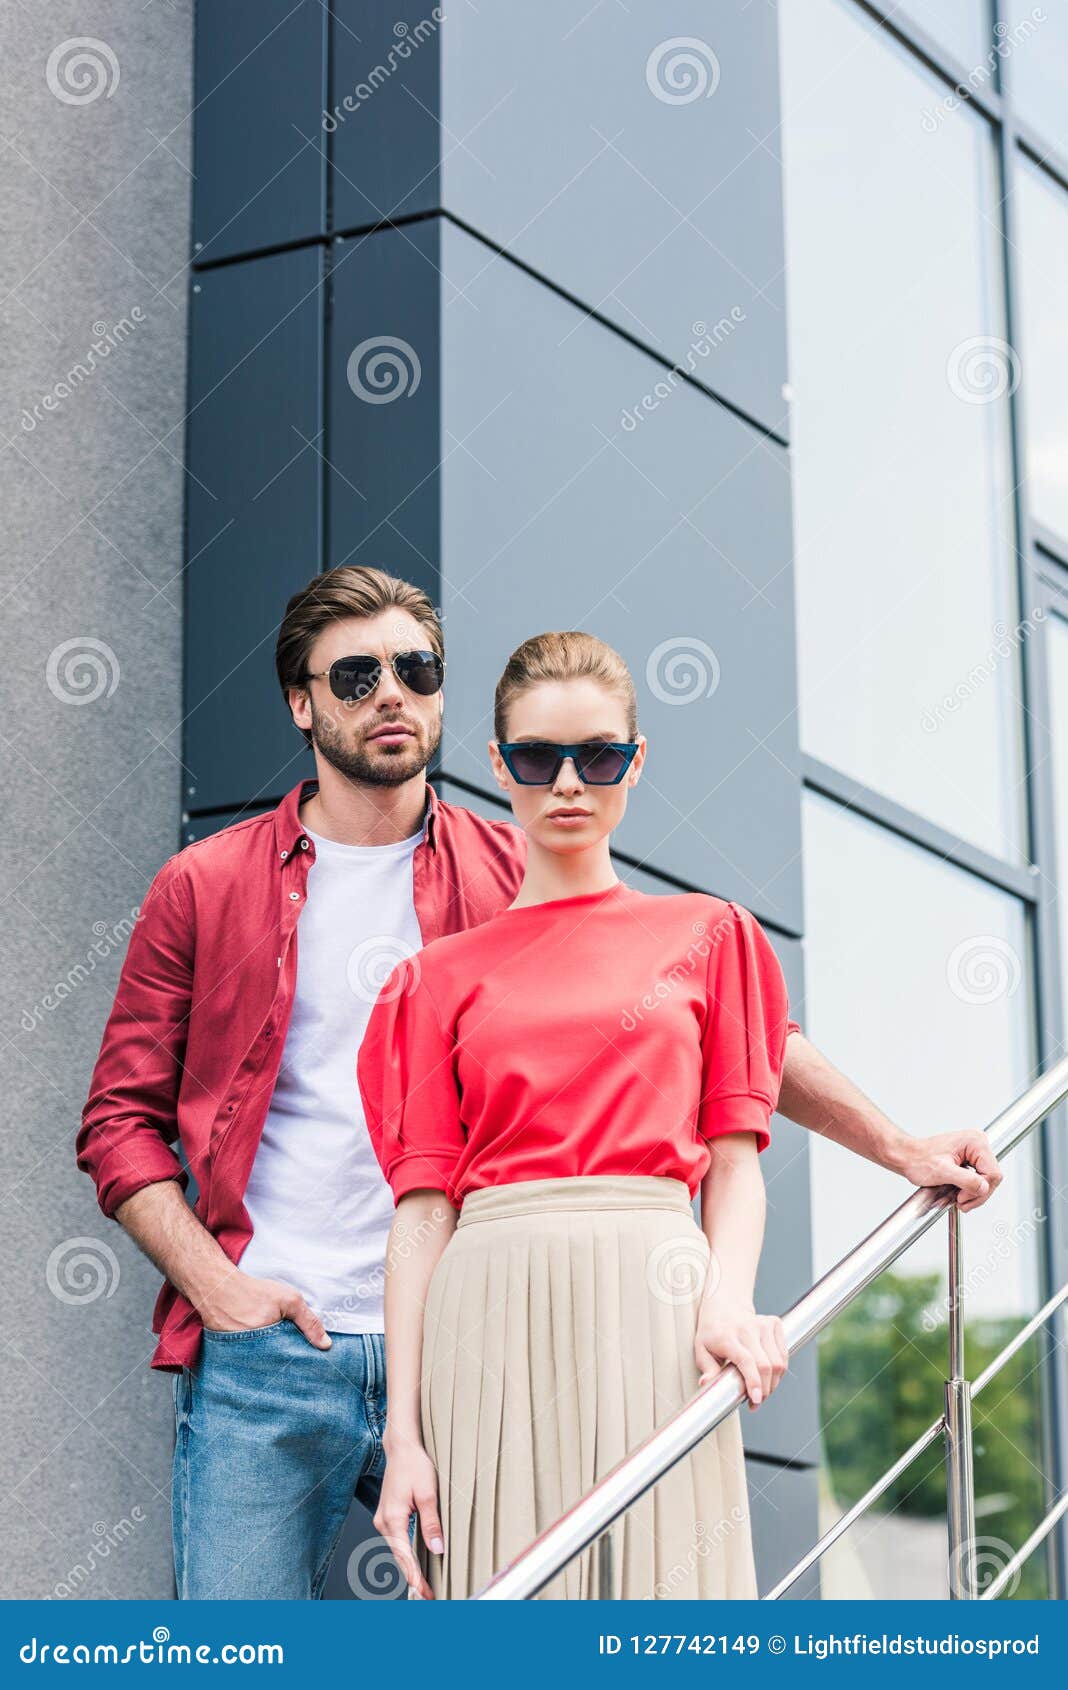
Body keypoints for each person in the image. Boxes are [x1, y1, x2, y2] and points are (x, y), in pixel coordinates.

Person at [78, 566, 1003, 1601]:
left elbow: (725, 1026)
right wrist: (219, 1291)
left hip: (475, 1340)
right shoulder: (204, 886)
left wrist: (901, 1149)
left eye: (415, 669)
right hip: (273, 1352)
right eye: (353, 676)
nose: (389, 693)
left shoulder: (503, 866)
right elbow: (118, 1121)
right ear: (301, 702)